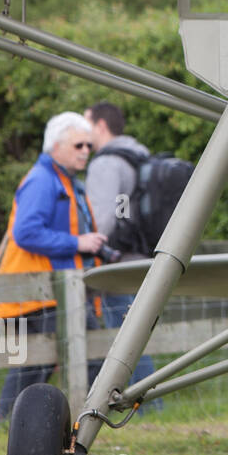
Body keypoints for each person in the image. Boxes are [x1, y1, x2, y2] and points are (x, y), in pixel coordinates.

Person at [0, 112, 105, 418]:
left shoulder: (65, 181)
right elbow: (26, 232)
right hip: (36, 294)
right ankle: (8, 423)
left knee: (71, 357)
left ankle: (86, 417)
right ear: (55, 147)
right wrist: (77, 243)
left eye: (88, 145)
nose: (86, 150)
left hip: (57, 293)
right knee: (38, 366)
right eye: (78, 145)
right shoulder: (42, 180)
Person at [82, 101, 157, 392]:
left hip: (118, 263)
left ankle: (144, 404)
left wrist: (84, 247)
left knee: (123, 339)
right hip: (145, 257)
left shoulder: (105, 163)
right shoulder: (140, 155)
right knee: (136, 334)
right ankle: (150, 403)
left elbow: (102, 220)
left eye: (86, 125)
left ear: (101, 126)